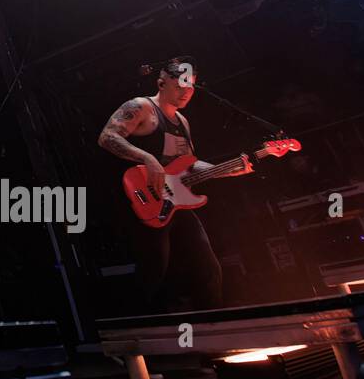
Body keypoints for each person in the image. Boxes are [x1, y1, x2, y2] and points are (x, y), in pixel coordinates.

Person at [97, 58, 251, 311]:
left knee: (207, 267)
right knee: (154, 268)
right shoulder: (141, 107)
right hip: (144, 198)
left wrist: (227, 170)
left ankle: (216, 328)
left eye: (190, 86)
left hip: (176, 202)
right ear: (161, 83)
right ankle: (135, 330)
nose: (185, 92)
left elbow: (188, 165)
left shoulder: (183, 122)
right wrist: (146, 157)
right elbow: (107, 137)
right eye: (179, 86)